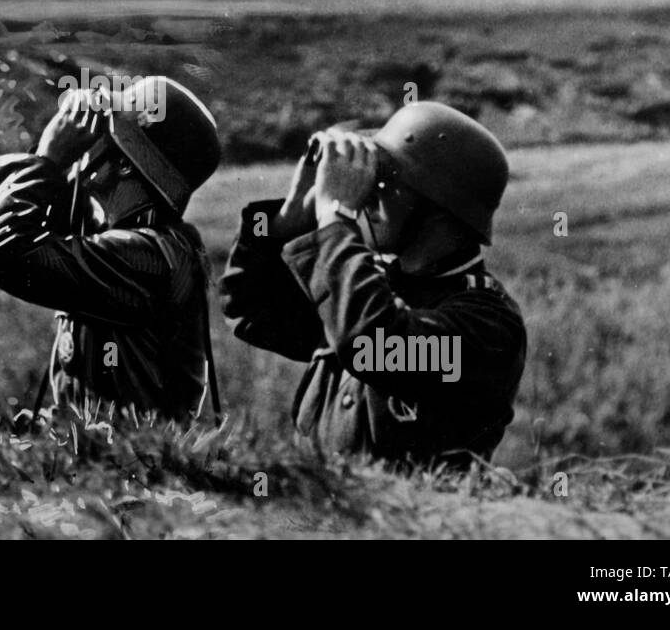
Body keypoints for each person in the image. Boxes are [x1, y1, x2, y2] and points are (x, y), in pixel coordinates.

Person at [219, 101, 526, 470]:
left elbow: (372, 346)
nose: (368, 194)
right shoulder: (369, 283)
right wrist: (289, 220)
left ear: (438, 206)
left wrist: (336, 218)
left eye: (385, 180)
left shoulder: (489, 326)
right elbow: (249, 308)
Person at [0, 77, 222, 423]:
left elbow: (1, 250)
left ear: (121, 163)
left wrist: (49, 159)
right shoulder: (135, 245)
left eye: (102, 134)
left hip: (135, 470)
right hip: (106, 459)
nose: (87, 144)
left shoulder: (147, 258)